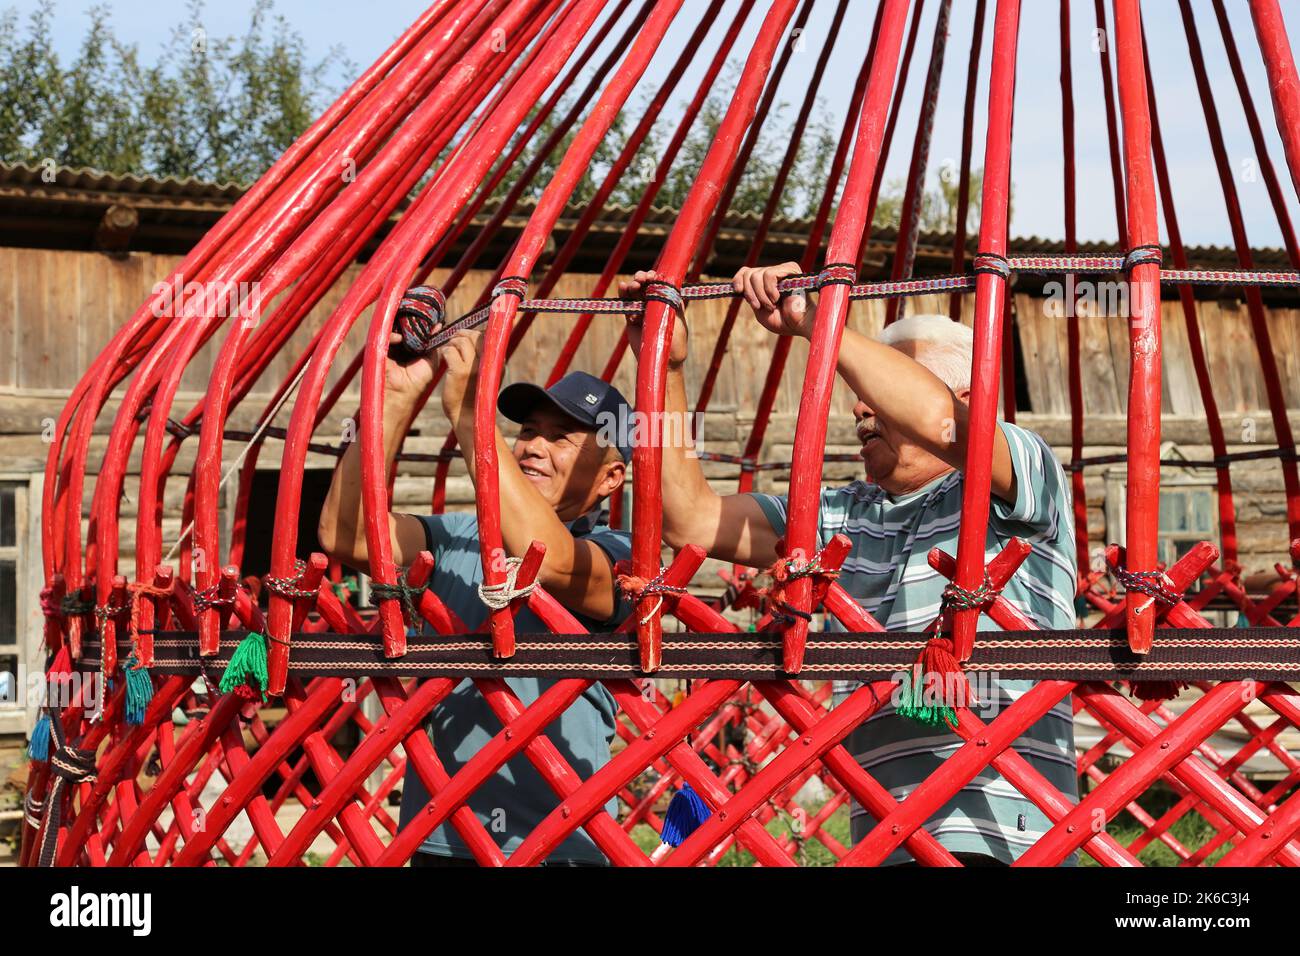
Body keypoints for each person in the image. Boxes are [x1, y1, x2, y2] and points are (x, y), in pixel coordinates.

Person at [619, 262, 1078, 866]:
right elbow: (689, 521)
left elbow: (933, 419)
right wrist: (666, 369)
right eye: (858, 393)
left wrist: (816, 322)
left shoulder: (1021, 476)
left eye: (879, 389)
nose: (860, 408)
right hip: (887, 835)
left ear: (967, 400)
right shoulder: (838, 514)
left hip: (1007, 832)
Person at [317, 319, 633, 866]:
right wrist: (391, 401)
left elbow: (550, 556)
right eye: (528, 430)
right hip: (441, 834)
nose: (533, 447)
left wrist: (470, 416)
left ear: (610, 479)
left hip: (560, 845)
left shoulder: (622, 556)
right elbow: (344, 535)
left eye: (561, 438)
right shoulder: (459, 536)